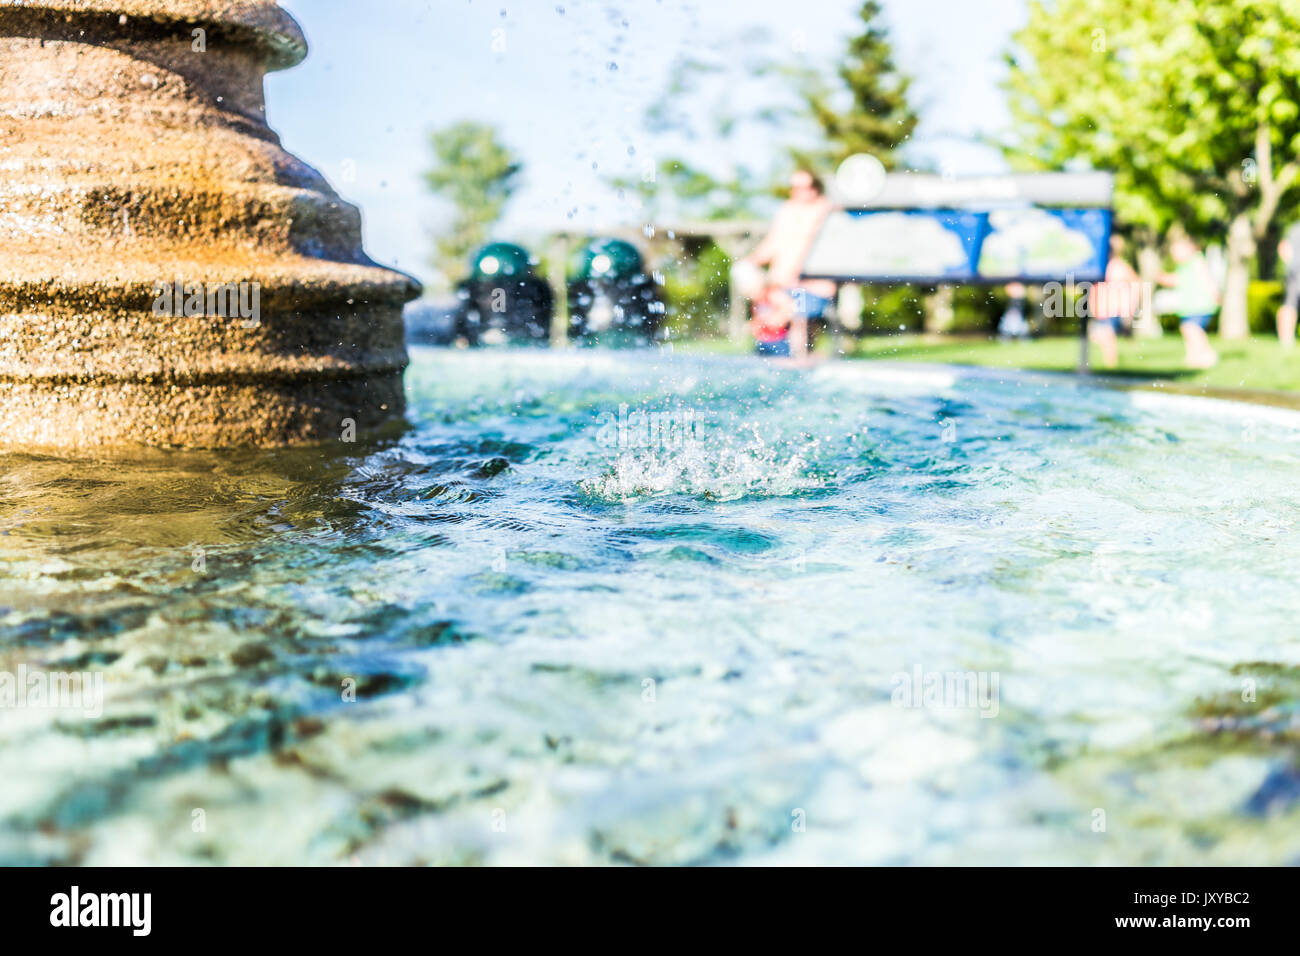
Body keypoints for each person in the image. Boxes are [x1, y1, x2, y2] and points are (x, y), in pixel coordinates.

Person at [739, 169, 837, 358]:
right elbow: (772, 244)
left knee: (799, 320)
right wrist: (749, 263)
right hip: (781, 284)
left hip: (812, 285)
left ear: (816, 188)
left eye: (806, 187)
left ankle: (801, 359)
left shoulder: (826, 211)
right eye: (794, 187)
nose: (800, 192)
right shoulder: (787, 210)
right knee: (768, 321)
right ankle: (774, 358)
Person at [1158, 234, 1219, 368]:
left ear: (1190, 249)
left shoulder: (1197, 261)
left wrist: (1215, 293)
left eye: (1177, 252)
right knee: (1187, 329)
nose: (1174, 256)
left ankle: (1208, 355)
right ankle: (1193, 356)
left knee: (1193, 329)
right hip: (1188, 306)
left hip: (1200, 305)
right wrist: (1161, 277)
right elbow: (1176, 280)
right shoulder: (1183, 267)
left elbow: (1206, 278)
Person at [1089, 234, 1142, 368]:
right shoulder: (1099, 265)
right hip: (1101, 309)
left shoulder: (1118, 266)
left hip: (1113, 308)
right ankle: (1111, 361)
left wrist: (1131, 305)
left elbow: (1136, 284)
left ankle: (1111, 364)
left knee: (1106, 336)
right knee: (1096, 335)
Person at [1276, 221, 1300, 348]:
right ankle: (1286, 339)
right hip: (1296, 272)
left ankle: (1286, 340)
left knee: (1290, 304)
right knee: (1289, 306)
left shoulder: (1294, 228)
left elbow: (1283, 248)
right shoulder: (1296, 228)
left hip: (1293, 272)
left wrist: (1288, 264)